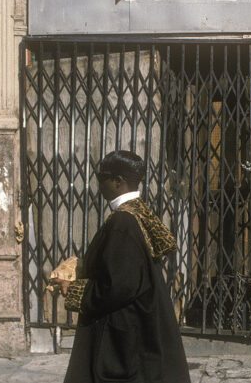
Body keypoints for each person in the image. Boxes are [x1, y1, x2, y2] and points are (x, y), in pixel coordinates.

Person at [52, 150, 191, 383]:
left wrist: (72, 289)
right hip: (137, 322)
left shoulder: (123, 221)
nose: (99, 183)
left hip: (123, 331)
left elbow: (120, 285)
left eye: (102, 177)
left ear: (118, 181)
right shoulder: (138, 211)